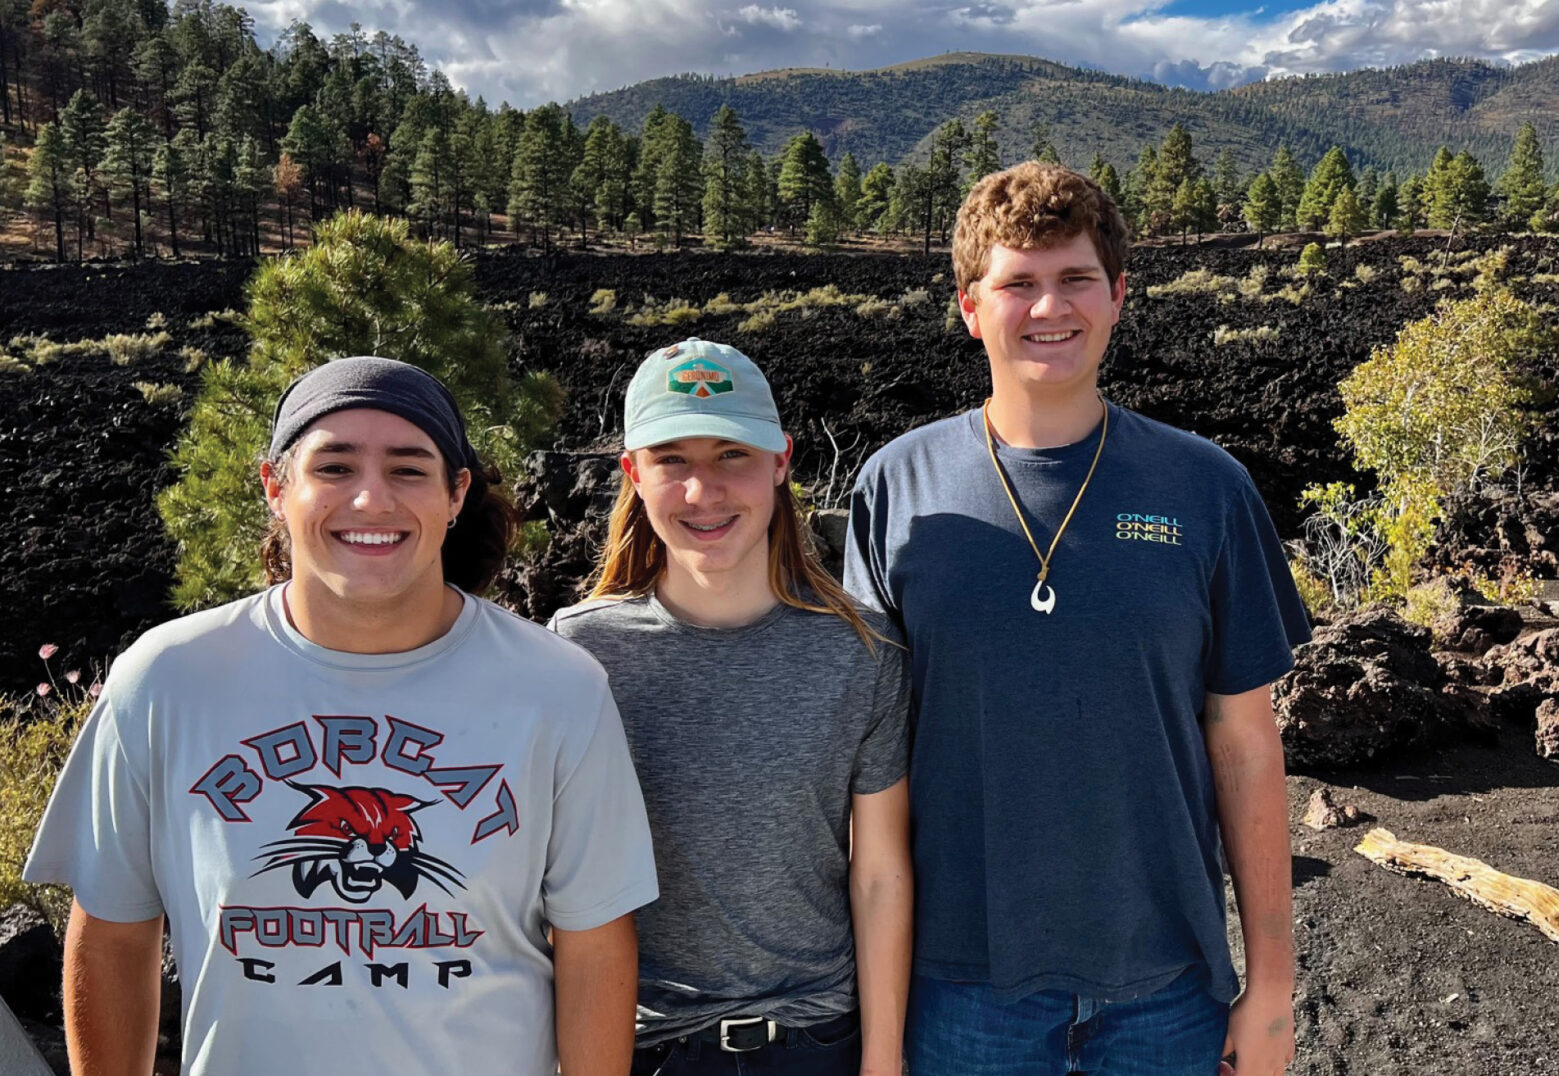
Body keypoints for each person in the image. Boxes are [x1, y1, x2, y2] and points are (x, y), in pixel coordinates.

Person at [25, 356, 658, 1076]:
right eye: (334, 467)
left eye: (409, 469)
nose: (369, 500)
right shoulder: (168, 679)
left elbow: (596, 943)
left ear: (455, 495)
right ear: (275, 486)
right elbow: (111, 931)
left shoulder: (557, 689)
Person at [843, 161, 1313, 1076]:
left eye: (1075, 279)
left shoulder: (1206, 488)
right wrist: (882, 1029)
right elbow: (871, 764)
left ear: (1118, 295)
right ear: (971, 307)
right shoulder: (896, 489)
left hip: (1166, 987)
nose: (1047, 306)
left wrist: (1272, 987)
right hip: (956, 991)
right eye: (1017, 282)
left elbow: (1247, 744)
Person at [549, 338, 913, 1076]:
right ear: (633, 475)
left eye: (731, 455)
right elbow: (556, 893)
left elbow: (879, 875)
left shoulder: (861, 652)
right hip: (644, 1046)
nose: (702, 491)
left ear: (781, 462)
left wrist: (882, 1060)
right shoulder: (578, 656)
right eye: (672, 459)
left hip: (817, 1044)